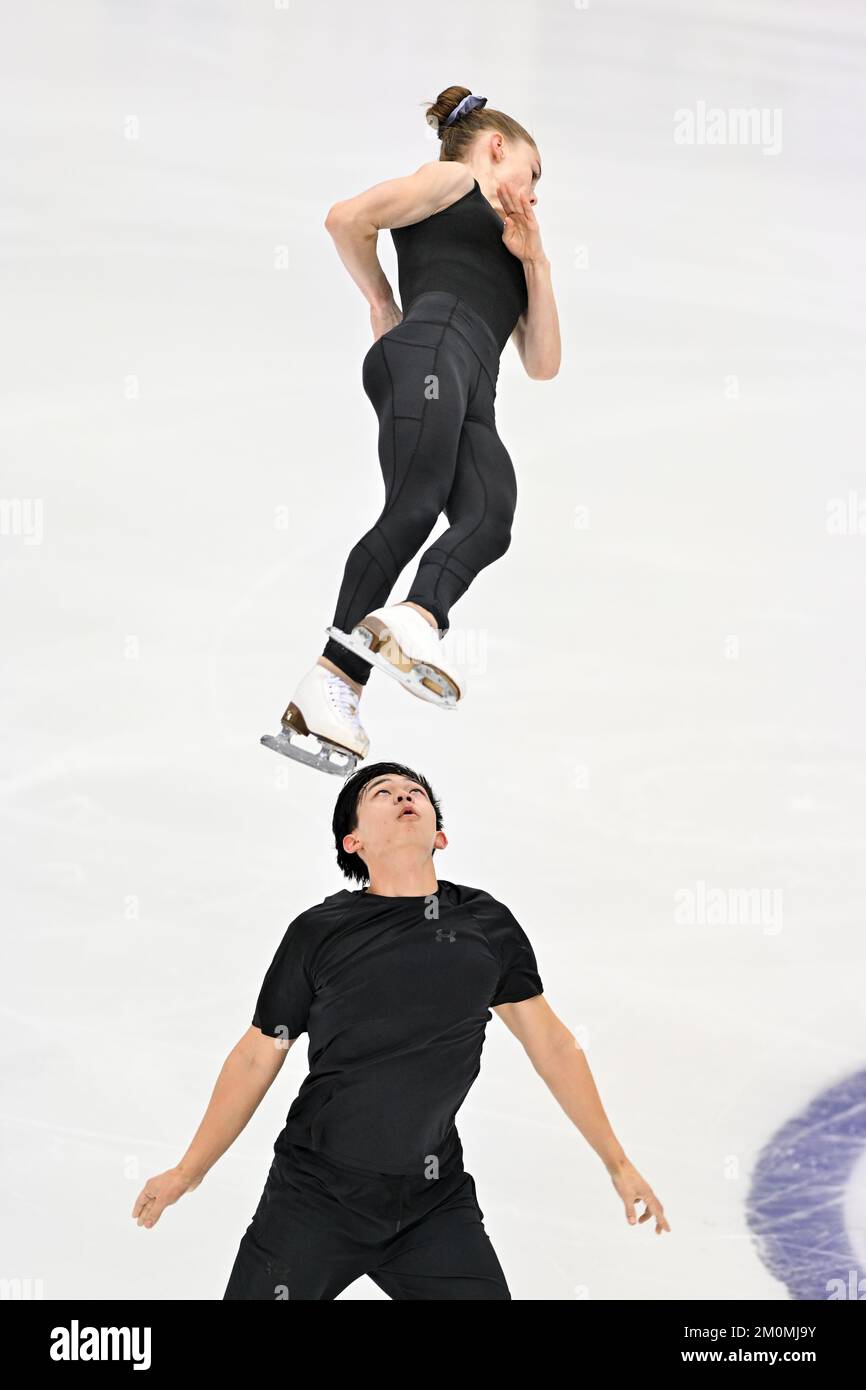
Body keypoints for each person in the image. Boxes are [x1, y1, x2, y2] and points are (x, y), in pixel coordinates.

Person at [131, 763, 670, 1300]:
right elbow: (257, 1055)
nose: (404, 796)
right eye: (382, 793)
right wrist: (189, 1170)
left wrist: (617, 1162)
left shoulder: (486, 923)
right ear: (353, 840)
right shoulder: (319, 932)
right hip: (316, 1197)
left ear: (439, 834)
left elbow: (551, 1044)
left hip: (432, 1202)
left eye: (416, 792)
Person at [260, 86, 562, 776]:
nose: (535, 193)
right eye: (532, 171)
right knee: (415, 506)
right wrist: (382, 302)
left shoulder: (519, 243)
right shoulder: (452, 180)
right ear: (494, 146)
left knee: (490, 516)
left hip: (470, 389)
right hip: (427, 354)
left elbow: (542, 363)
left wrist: (535, 260)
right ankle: (332, 685)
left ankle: (414, 620)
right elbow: (346, 219)